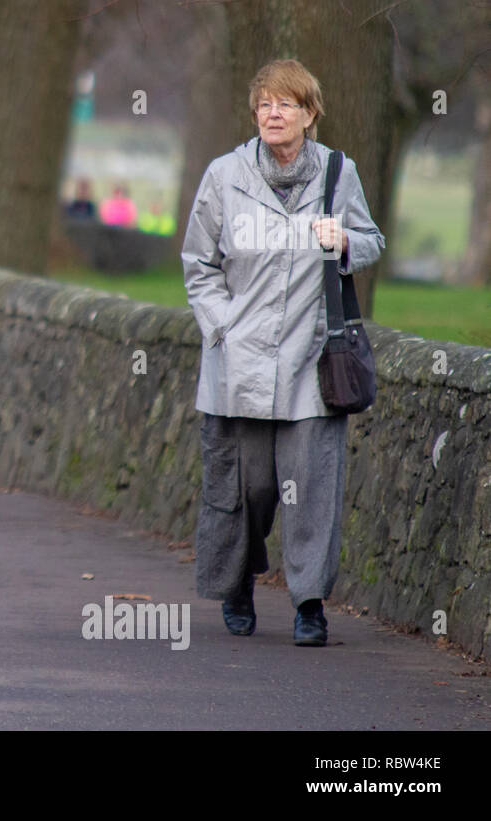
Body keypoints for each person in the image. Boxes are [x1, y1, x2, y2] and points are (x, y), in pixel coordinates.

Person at [181, 58, 384, 646]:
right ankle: (240, 581)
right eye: (265, 103)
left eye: (286, 104)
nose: (273, 113)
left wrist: (344, 239)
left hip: (311, 362)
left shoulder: (337, 175)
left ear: (309, 113)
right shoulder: (225, 175)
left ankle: (308, 605)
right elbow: (199, 264)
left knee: (312, 489)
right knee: (250, 491)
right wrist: (220, 327)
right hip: (237, 364)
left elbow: (371, 240)